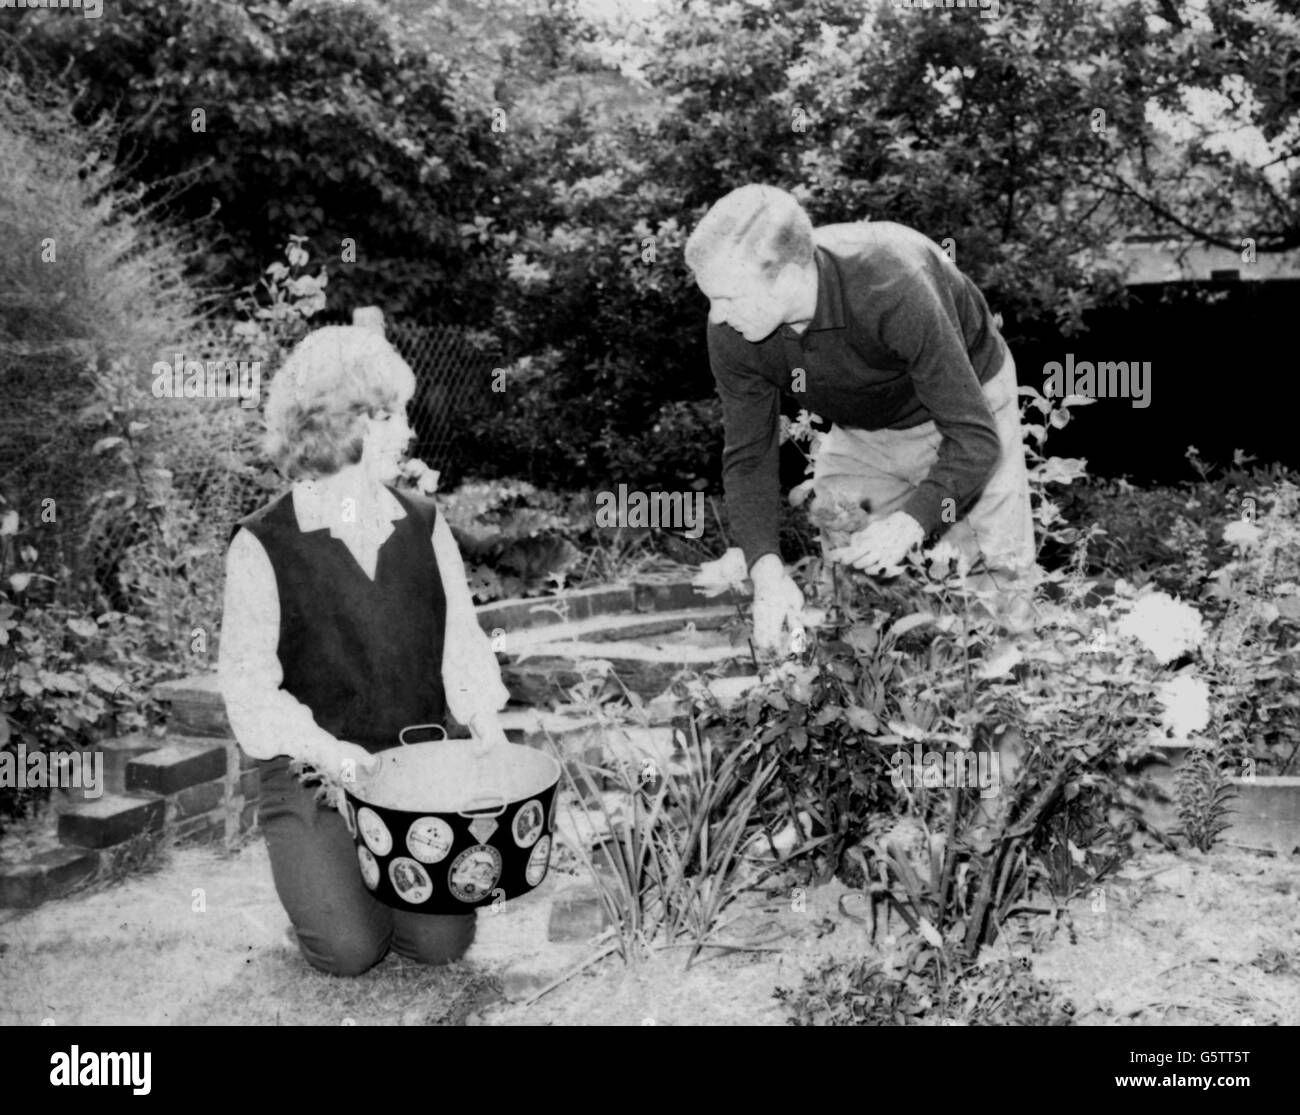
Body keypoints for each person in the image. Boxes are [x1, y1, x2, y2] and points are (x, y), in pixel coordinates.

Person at [218, 325, 511, 977]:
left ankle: (372, 876)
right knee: (350, 948)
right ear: (341, 423)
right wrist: (329, 752)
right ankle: (324, 871)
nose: (405, 431)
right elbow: (249, 694)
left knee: (441, 945)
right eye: (388, 415)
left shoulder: (424, 522)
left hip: (416, 761)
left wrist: (485, 720)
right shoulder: (261, 545)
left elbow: (461, 644)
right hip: (314, 768)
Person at [685, 185, 1038, 651]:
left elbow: (974, 438)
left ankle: (1008, 694)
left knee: (998, 579)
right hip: (866, 428)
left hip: (966, 405)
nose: (717, 316)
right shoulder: (733, 333)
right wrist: (765, 573)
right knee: (854, 578)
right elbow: (749, 457)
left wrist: (912, 522)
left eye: (729, 297)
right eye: (711, 298)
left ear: (788, 275)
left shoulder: (891, 281)